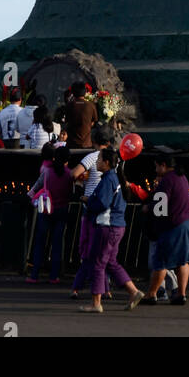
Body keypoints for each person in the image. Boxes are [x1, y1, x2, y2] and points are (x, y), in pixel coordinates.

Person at [80, 147, 143, 313]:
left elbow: (102, 203)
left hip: (107, 226)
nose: (97, 162)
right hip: (117, 226)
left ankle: (96, 303)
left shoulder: (108, 180)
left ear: (106, 163)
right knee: (111, 262)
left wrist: (88, 201)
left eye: (99, 159)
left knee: (98, 263)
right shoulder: (115, 179)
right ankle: (133, 291)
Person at [140, 150, 189, 306]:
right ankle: (181, 294)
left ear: (163, 165)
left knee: (160, 261)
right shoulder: (182, 177)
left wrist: (148, 208)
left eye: (156, 166)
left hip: (174, 226)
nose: (155, 170)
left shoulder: (167, 180)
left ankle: (151, 294)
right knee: (183, 261)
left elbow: (160, 207)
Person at [70, 126, 113, 295]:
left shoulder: (92, 157)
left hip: (90, 209)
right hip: (107, 210)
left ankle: (78, 287)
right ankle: (106, 288)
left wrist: (82, 181)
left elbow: (74, 174)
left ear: (93, 141)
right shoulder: (113, 160)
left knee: (87, 250)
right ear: (108, 142)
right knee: (104, 252)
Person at [27, 143, 73, 283]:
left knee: (40, 243)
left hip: (47, 209)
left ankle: (34, 275)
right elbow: (71, 193)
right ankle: (54, 276)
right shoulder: (69, 174)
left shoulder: (47, 172)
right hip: (62, 210)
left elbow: (33, 190)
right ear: (67, 160)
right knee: (57, 244)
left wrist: (33, 198)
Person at [65, 81, 98, 149]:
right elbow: (93, 122)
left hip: (72, 144)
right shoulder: (91, 105)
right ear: (85, 92)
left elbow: (67, 121)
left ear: (73, 93)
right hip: (86, 144)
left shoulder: (69, 105)